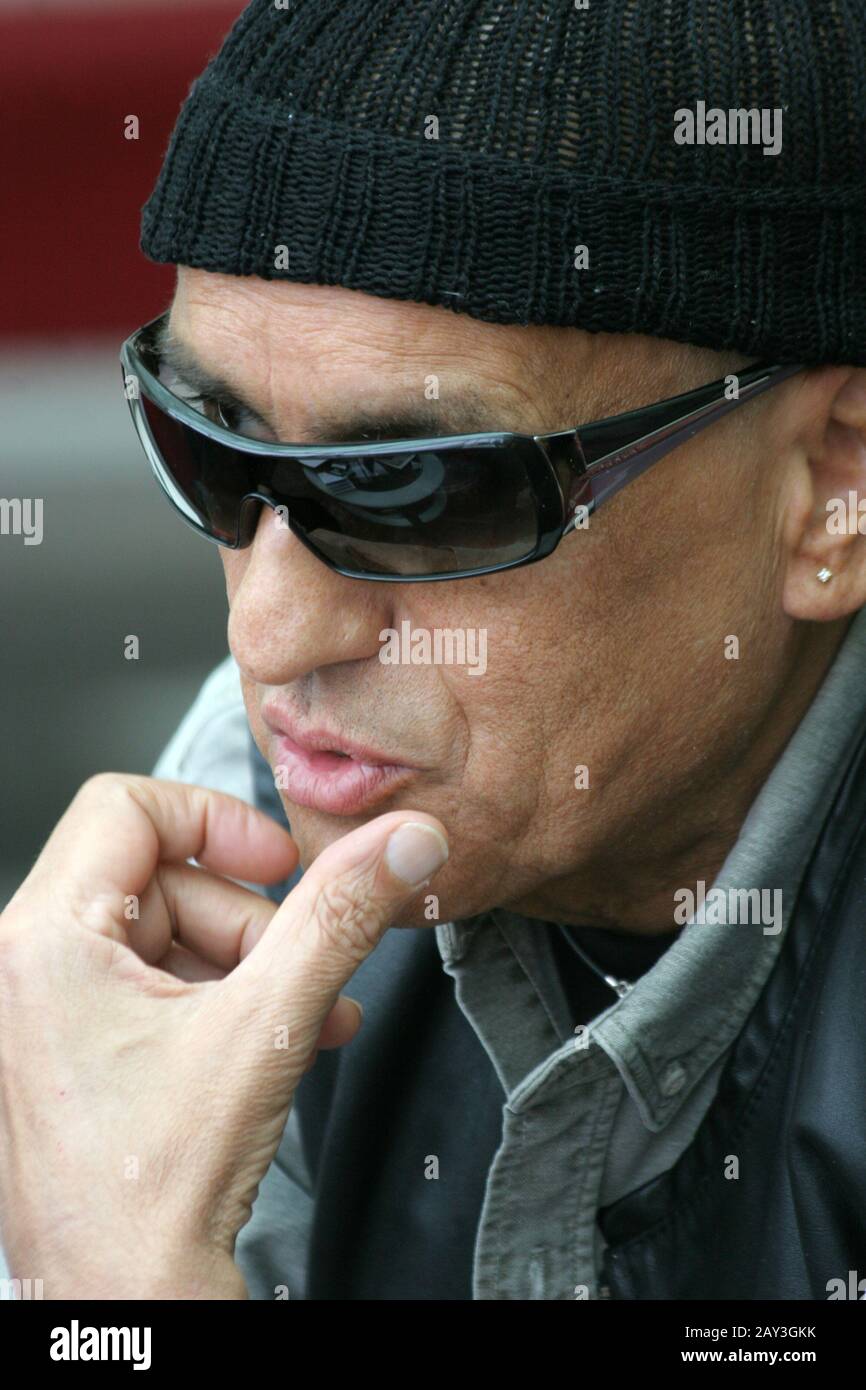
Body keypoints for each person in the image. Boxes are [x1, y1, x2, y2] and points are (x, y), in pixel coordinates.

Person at [2, 0, 866, 1301]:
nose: (270, 631)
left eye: (420, 491)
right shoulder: (236, 826)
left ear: (831, 484)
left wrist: (114, 1291)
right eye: (211, 447)